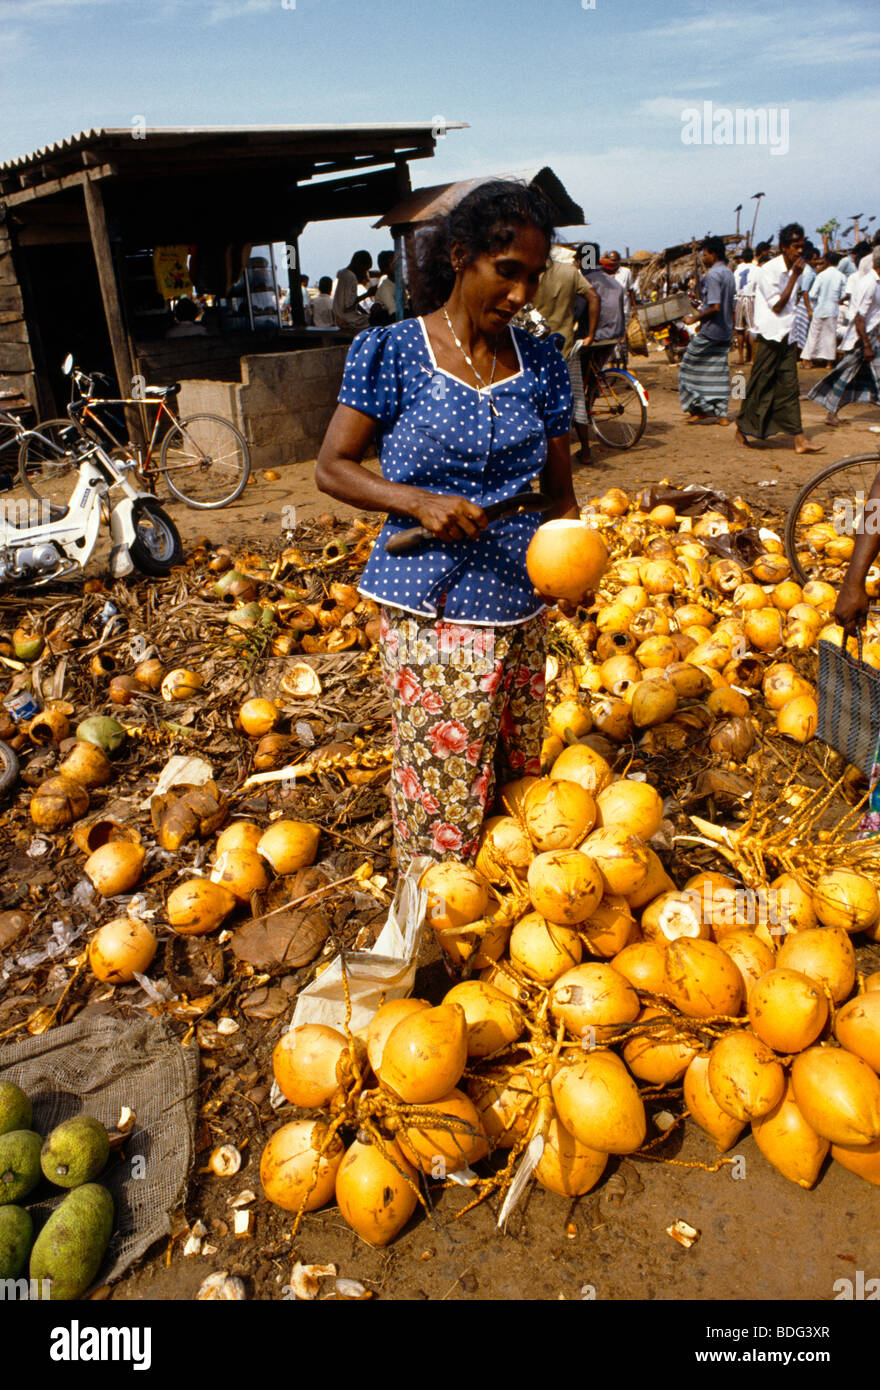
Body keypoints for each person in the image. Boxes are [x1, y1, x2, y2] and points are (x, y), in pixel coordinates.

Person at [315, 181, 578, 871]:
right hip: (429, 601)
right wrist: (415, 501)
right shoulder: (393, 352)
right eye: (507, 272)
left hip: (520, 602)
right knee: (443, 779)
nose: (521, 295)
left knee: (514, 767)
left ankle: (507, 920)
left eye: (533, 276)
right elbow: (333, 468)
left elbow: (561, 496)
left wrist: (572, 566)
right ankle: (434, 921)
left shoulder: (543, 364)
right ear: (461, 258)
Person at [735, 223, 824, 453]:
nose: (799, 251)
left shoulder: (796, 268)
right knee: (759, 384)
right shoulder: (770, 271)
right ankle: (742, 428)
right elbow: (777, 306)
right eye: (795, 246)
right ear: (784, 247)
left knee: (789, 387)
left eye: (802, 247)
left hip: (786, 335)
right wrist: (794, 277)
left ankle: (799, 439)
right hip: (769, 335)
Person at [530, 243, 599, 461]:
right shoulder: (570, 272)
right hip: (566, 347)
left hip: (533, 348)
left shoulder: (529, 274)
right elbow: (594, 297)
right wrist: (591, 334)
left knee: (537, 402)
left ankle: (542, 455)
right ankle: (586, 450)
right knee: (575, 399)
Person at [808, 247, 880, 426]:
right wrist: (867, 345)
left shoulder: (875, 282)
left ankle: (831, 411)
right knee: (847, 372)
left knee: (848, 373)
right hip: (862, 337)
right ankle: (828, 406)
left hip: (869, 335)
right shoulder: (869, 284)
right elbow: (859, 317)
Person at [677, 236, 736, 424]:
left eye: (705, 254)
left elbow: (715, 307)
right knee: (718, 371)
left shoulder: (713, 275)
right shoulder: (728, 273)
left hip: (712, 331)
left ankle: (699, 407)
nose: (703, 257)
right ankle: (722, 414)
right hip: (726, 330)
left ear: (713, 254)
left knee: (688, 367)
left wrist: (694, 318)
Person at [801, 251, 845, 367]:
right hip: (833, 308)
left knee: (813, 334)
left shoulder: (821, 275)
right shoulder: (841, 276)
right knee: (830, 336)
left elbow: (812, 294)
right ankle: (829, 363)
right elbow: (844, 294)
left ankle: (807, 360)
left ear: (828, 261)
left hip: (820, 308)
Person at [332, 250, 373, 332]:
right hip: (349, 319)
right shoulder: (351, 277)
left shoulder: (342, 273)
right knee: (375, 321)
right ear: (360, 265)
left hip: (339, 317)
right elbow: (349, 306)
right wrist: (367, 295)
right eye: (365, 269)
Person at [733, 248, 756, 364]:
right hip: (751, 298)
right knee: (751, 328)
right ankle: (752, 358)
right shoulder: (756, 269)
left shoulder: (738, 270)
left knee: (740, 329)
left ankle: (741, 357)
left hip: (739, 298)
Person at [371, 250, 398, 325]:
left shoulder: (398, 284)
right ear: (386, 268)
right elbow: (394, 313)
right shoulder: (385, 288)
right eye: (394, 264)